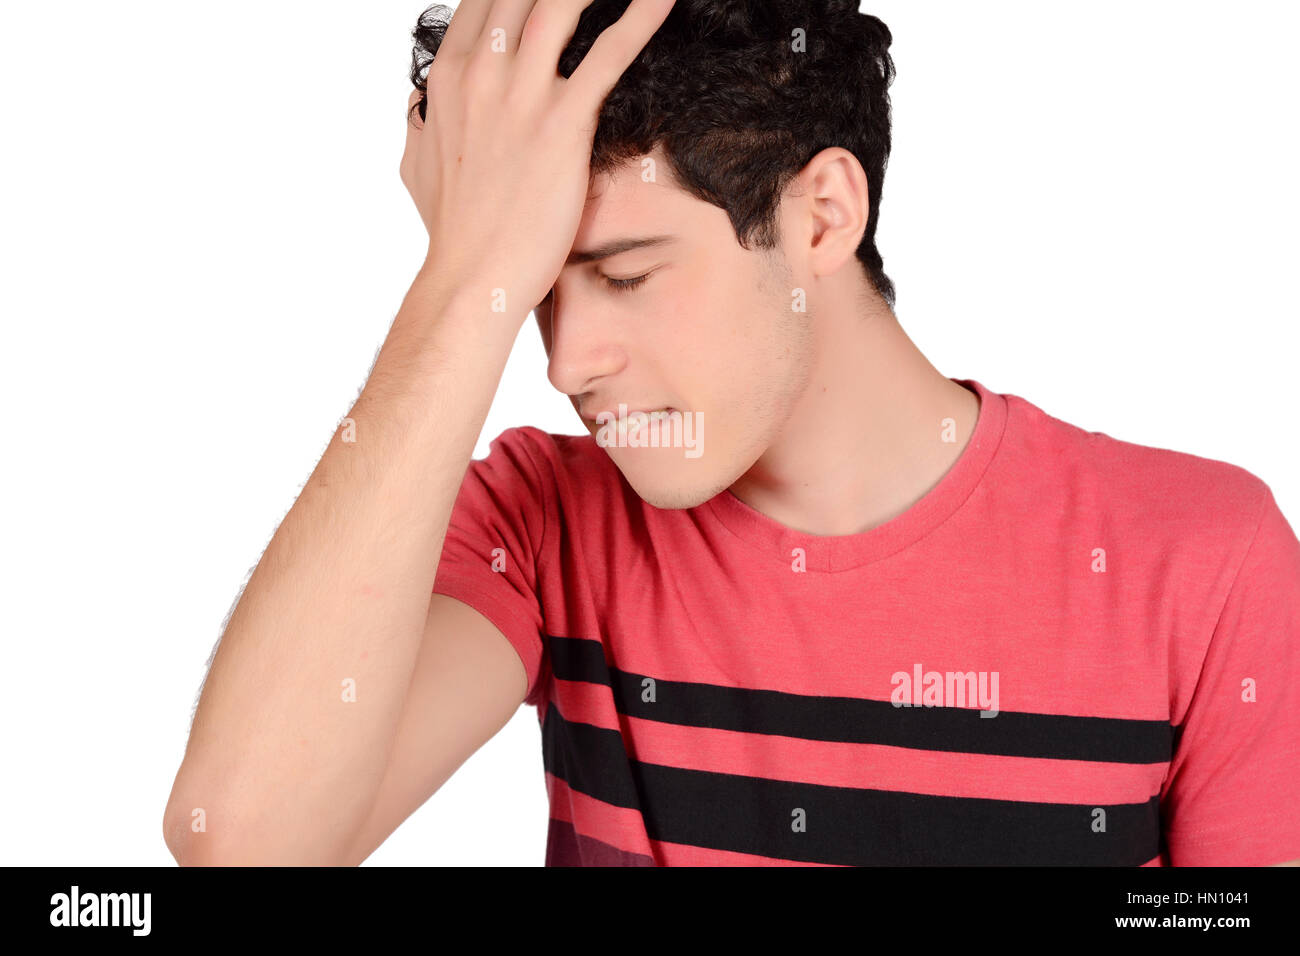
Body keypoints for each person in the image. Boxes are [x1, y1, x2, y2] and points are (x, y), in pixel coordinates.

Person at [163, 0, 1300, 866]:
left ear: (821, 215)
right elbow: (245, 835)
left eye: (624, 273)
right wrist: (464, 280)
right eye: (534, 291)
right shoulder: (543, 524)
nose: (564, 362)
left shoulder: (1202, 560)